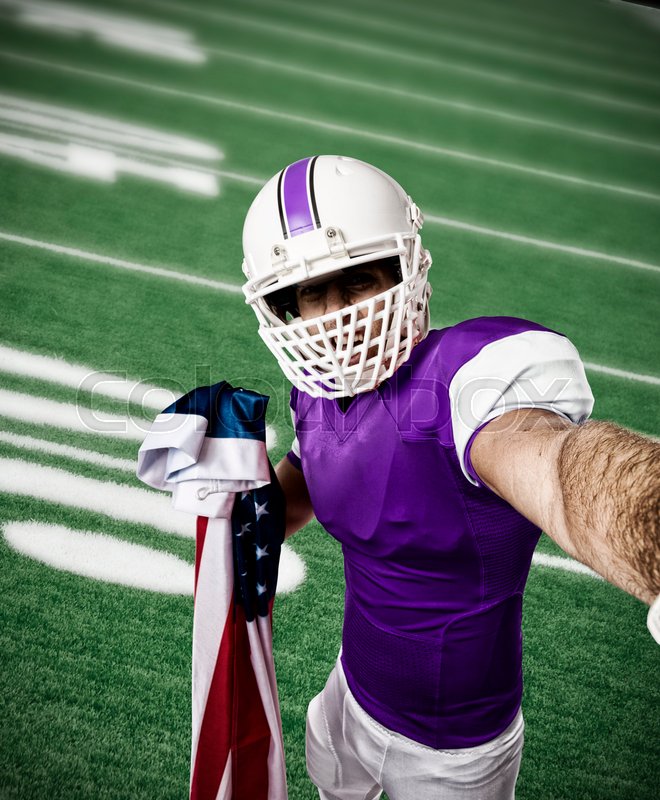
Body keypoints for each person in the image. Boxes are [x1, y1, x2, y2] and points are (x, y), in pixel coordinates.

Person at [240, 155, 659, 799]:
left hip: (454, 753)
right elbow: (308, 484)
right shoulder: (316, 394)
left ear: (405, 268)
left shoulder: (463, 383)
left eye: (355, 280)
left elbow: (560, 471)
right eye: (309, 293)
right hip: (350, 693)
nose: (333, 316)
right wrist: (229, 482)